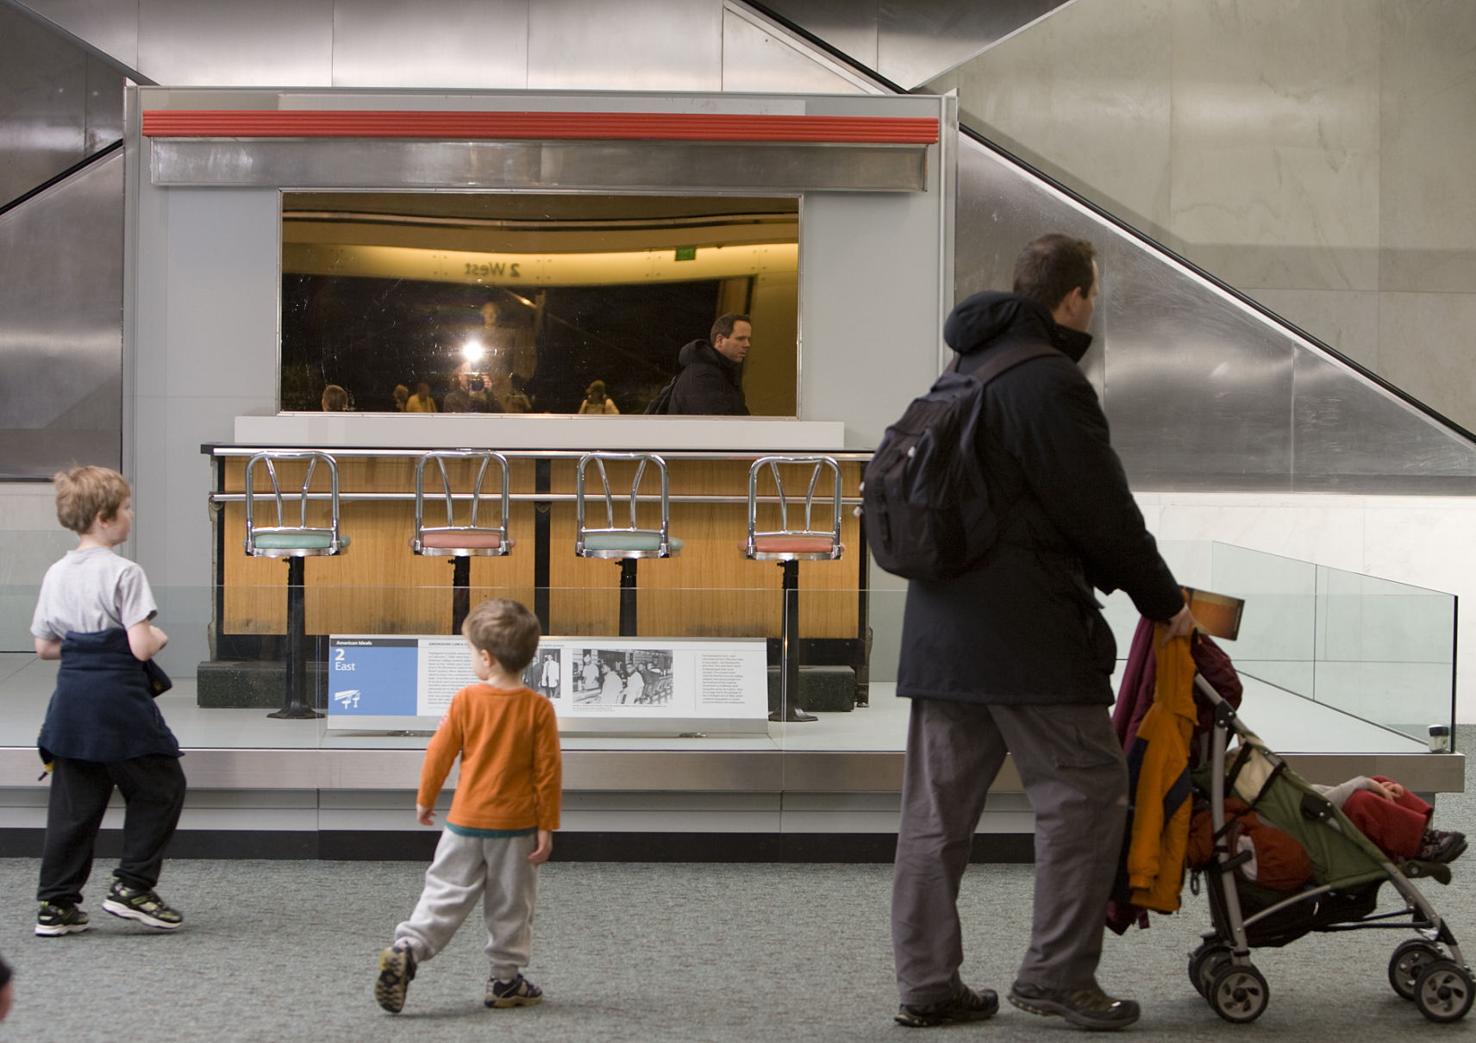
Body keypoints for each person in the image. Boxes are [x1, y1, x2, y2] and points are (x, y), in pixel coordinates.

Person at [890, 235, 1194, 1031]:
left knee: (935, 816)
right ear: (1074, 298)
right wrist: (1165, 601)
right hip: (1026, 637)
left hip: (940, 635)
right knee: (1087, 795)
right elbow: (1103, 514)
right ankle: (1056, 975)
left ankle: (927, 981)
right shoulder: (1048, 382)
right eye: (1093, 293)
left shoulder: (960, 371)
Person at [375, 598, 560, 1015]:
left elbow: (439, 753)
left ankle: (408, 947)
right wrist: (546, 826)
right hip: (516, 828)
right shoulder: (539, 710)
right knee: (511, 904)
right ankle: (505, 980)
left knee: (444, 891)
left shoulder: (465, 701)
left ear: (486, 657)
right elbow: (548, 774)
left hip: (463, 822)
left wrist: (426, 798)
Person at [29, 466, 187, 937]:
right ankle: (132, 885)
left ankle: (56, 905)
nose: (131, 515)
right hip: (118, 702)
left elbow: (44, 647)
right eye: (126, 508)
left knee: (75, 806)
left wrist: (87, 646)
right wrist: (158, 635)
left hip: (71, 705)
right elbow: (140, 647)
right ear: (104, 517)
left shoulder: (56, 572)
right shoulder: (125, 573)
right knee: (162, 786)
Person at [1314, 776, 1466, 864]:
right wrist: (1363, 784)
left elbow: (1312, 792)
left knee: (1378, 782)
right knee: (1361, 801)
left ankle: (1424, 836)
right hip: (1320, 841)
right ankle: (1416, 847)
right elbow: (1310, 803)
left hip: (1318, 823)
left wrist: (1371, 786)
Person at [668, 313, 751, 415]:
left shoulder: (721, 373)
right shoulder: (703, 375)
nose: (747, 345)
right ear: (720, 340)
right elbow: (716, 425)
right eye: (740, 339)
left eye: (748, 339)